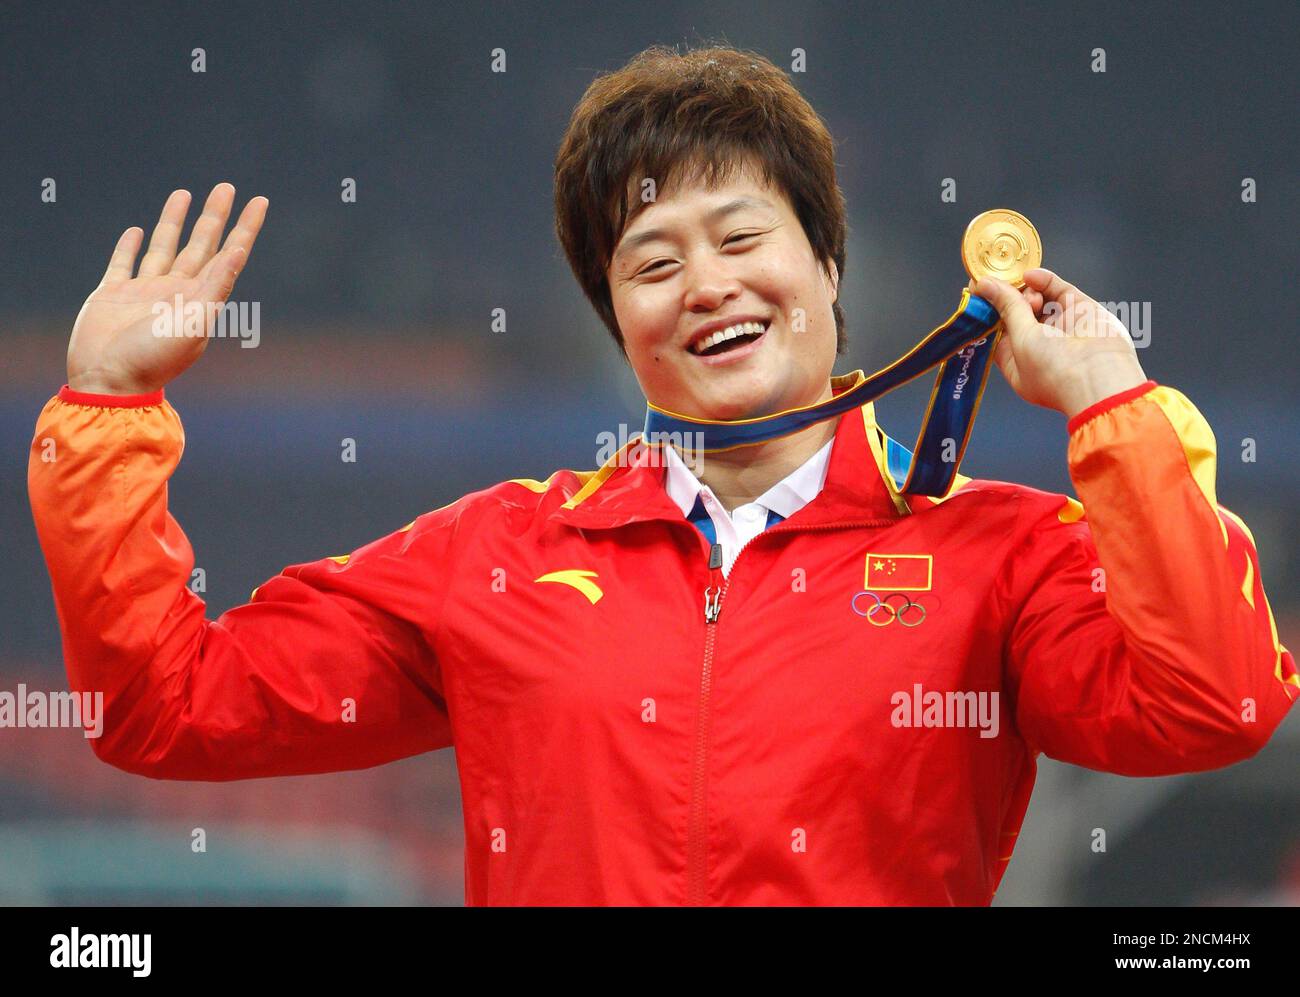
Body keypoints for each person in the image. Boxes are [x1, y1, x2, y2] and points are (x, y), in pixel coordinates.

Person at [28, 44, 1296, 906]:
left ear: (829, 269)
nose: (707, 285)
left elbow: (1216, 704)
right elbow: (166, 709)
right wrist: (108, 407)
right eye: (650, 262)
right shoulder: (493, 561)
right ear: (614, 319)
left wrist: (1110, 405)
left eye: (743, 235)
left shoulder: (998, 557)